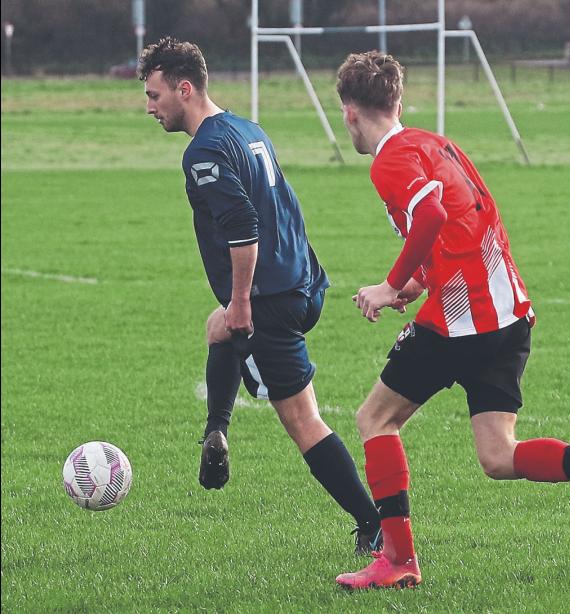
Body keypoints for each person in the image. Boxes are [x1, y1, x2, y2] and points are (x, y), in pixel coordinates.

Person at [333, 51, 570, 589]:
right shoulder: (434, 143)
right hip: (508, 314)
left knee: (375, 419)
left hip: (461, 321)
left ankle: (396, 560)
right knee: (498, 456)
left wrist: (391, 285)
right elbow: (458, 221)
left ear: (349, 112)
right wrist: (418, 281)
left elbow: (434, 215)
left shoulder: (389, 161)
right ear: (398, 101)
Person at [136, 37, 382, 554]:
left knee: (302, 421)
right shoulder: (246, 129)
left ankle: (373, 523)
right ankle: (216, 432)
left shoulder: (203, 151)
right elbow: (284, 206)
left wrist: (244, 301)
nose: (149, 107)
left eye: (156, 95)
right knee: (217, 325)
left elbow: (243, 227)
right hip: (303, 282)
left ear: (186, 88)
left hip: (269, 299)